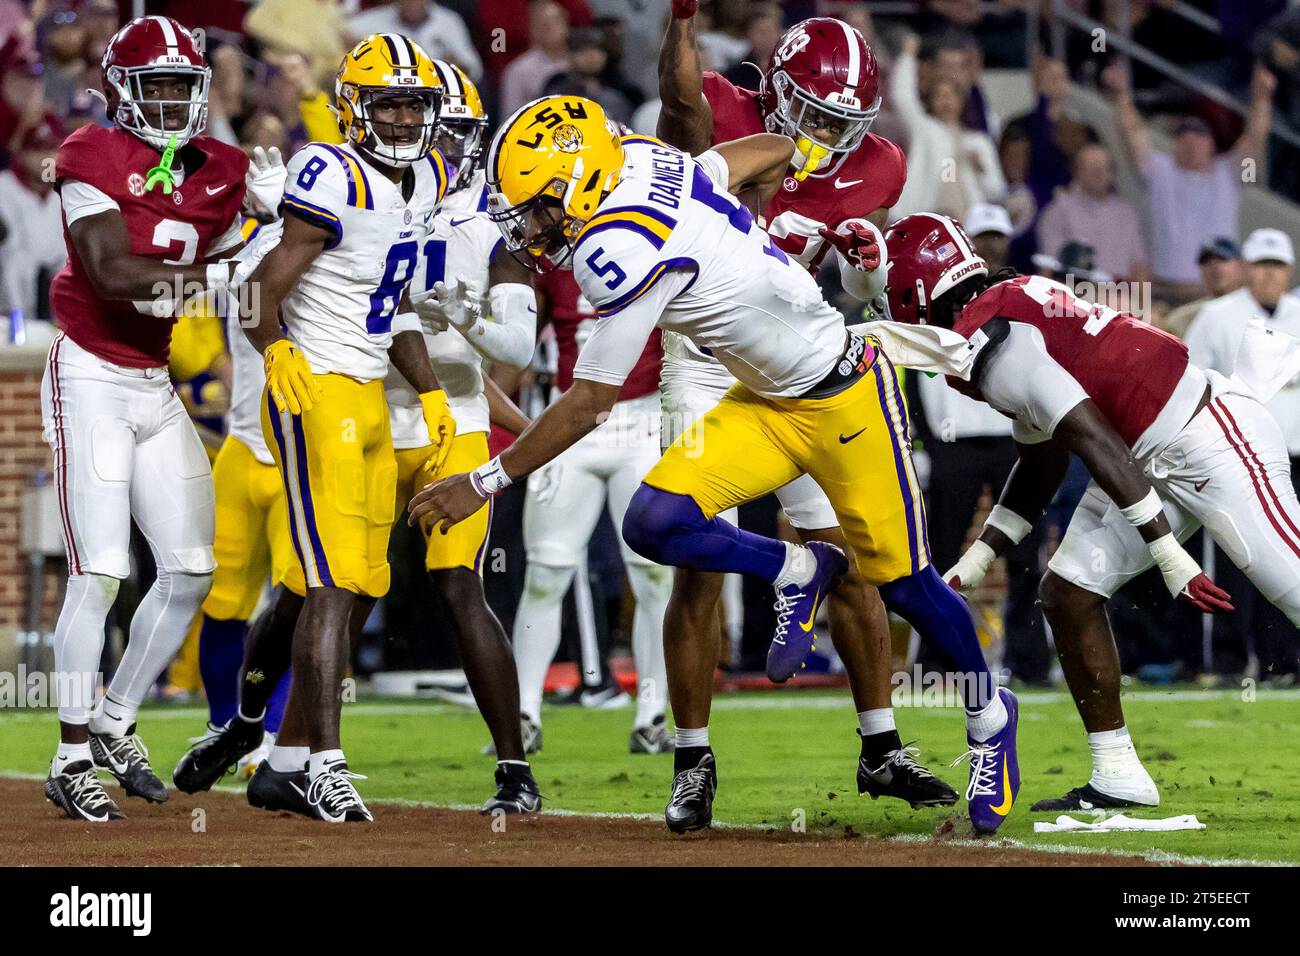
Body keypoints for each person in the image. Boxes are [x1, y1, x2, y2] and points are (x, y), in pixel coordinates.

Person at [410, 96, 1019, 836]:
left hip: (846, 392)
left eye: (536, 210)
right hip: (761, 401)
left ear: (575, 186)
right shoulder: (636, 160)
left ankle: (991, 716)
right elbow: (757, 151)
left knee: (906, 584)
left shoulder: (619, 248)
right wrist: (800, 156)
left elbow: (590, 400)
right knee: (657, 520)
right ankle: (795, 571)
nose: (529, 230)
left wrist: (482, 482)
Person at [884, 213, 1300, 812]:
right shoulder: (1005, 309)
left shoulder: (997, 340)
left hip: (1209, 437)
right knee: (1068, 592)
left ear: (916, 293)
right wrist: (973, 564)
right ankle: (1118, 775)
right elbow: (1043, 462)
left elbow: (1093, 439)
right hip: (1143, 455)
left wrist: (1167, 553)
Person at [655, 8, 956, 810]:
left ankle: (881, 747)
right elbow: (679, 105)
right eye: (818, 114)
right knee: (699, 557)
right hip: (705, 362)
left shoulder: (879, 165)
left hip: (797, 368)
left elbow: (859, 285)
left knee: (850, 555)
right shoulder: (723, 109)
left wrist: (864, 274)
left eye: (845, 121)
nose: (831, 133)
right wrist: (679, 24)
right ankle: (692, 758)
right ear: (779, 91)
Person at [176, 34, 453, 824]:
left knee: (335, 582)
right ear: (352, 110)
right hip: (314, 393)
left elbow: (389, 298)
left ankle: (250, 728)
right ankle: (323, 764)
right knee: (331, 578)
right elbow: (259, 292)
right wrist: (280, 350)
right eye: (388, 103)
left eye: (414, 104)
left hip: (369, 388)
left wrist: (428, 391)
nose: (403, 118)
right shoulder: (328, 173)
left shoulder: (426, 176)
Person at [40, 16, 260, 822]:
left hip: (154, 381)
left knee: (192, 568)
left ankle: (115, 718)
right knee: (100, 571)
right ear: (121, 88)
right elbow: (108, 272)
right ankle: (67, 758)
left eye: (181, 84)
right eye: (154, 83)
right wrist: (226, 270)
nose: (169, 99)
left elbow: (288, 240)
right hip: (90, 373)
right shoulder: (88, 153)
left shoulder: (229, 169)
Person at [385, 60, 544, 809]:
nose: (432, 142)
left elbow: (516, 349)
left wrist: (469, 318)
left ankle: (515, 771)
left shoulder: (494, 217)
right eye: (422, 122)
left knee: (458, 585)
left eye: (447, 129)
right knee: (327, 587)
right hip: (361, 413)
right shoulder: (368, 192)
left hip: (451, 422)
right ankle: (280, 745)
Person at [1183, 228, 1300, 682]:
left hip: (1296, 449)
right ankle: (1231, 661)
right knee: (1240, 556)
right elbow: (1191, 379)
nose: (1268, 275)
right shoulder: (1216, 316)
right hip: (1242, 454)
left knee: (1290, 559)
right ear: (1246, 269)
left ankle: (1284, 661)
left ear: (1288, 271)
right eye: (1260, 265)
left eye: (1277, 266)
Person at [1105, 62, 1274, 303]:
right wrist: (1121, 96)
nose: (1191, 141)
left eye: (1199, 135)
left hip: (1213, 294)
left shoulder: (1230, 173)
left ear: (1212, 146)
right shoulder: (1160, 171)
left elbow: (1255, 139)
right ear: (1174, 144)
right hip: (1161, 292)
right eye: (1183, 135)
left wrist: (1262, 99)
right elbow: (1131, 133)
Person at [889, 31, 1005, 220]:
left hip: (970, 223)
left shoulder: (978, 140)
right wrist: (908, 55)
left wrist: (981, 167)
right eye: (940, 96)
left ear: (961, 102)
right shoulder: (925, 129)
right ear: (931, 102)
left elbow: (997, 190)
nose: (946, 102)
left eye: (950, 96)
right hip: (928, 216)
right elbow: (902, 98)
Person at [1034, 142, 1149, 284]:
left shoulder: (1126, 213)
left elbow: (1139, 267)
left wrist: (1143, 303)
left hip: (1121, 297)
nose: (1098, 172)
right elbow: (1048, 268)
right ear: (1076, 171)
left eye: (1103, 167)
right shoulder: (1057, 211)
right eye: (1091, 167)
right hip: (1076, 296)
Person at [348, 0, 483, 81]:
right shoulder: (370, 21)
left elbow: (474, 69)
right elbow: (343, 34)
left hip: (438, 96)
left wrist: (453, 66)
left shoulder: (448, 20)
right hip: (389, 94)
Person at [1161, 237, 1243, 339]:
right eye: (1206, 262)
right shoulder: (1184, 318)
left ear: (1241, 266)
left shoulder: (1257, 309)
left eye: (1222, 259)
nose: (1214, 267)